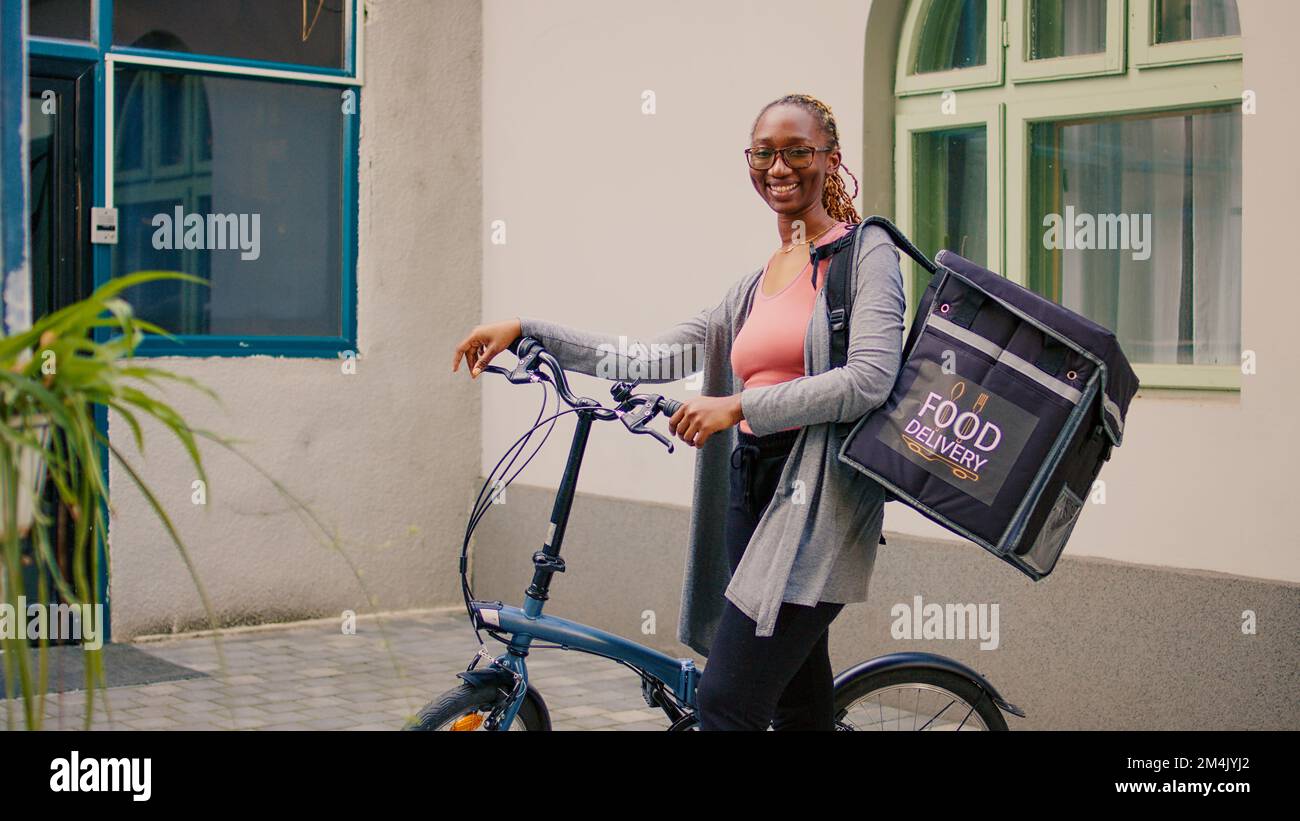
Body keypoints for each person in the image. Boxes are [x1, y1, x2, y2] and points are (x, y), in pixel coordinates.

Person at [451, 93, 906, 730]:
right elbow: (648, 358)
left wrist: (737, 404)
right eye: (764, 153)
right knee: (797, 701)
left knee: (726, 703)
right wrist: (528, 330)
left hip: (818, 503)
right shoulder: (756, 282)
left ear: (830, 159)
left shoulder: (867, 254)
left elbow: (867, 380)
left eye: (798, 150)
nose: (780, 167)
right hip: (750, 489)